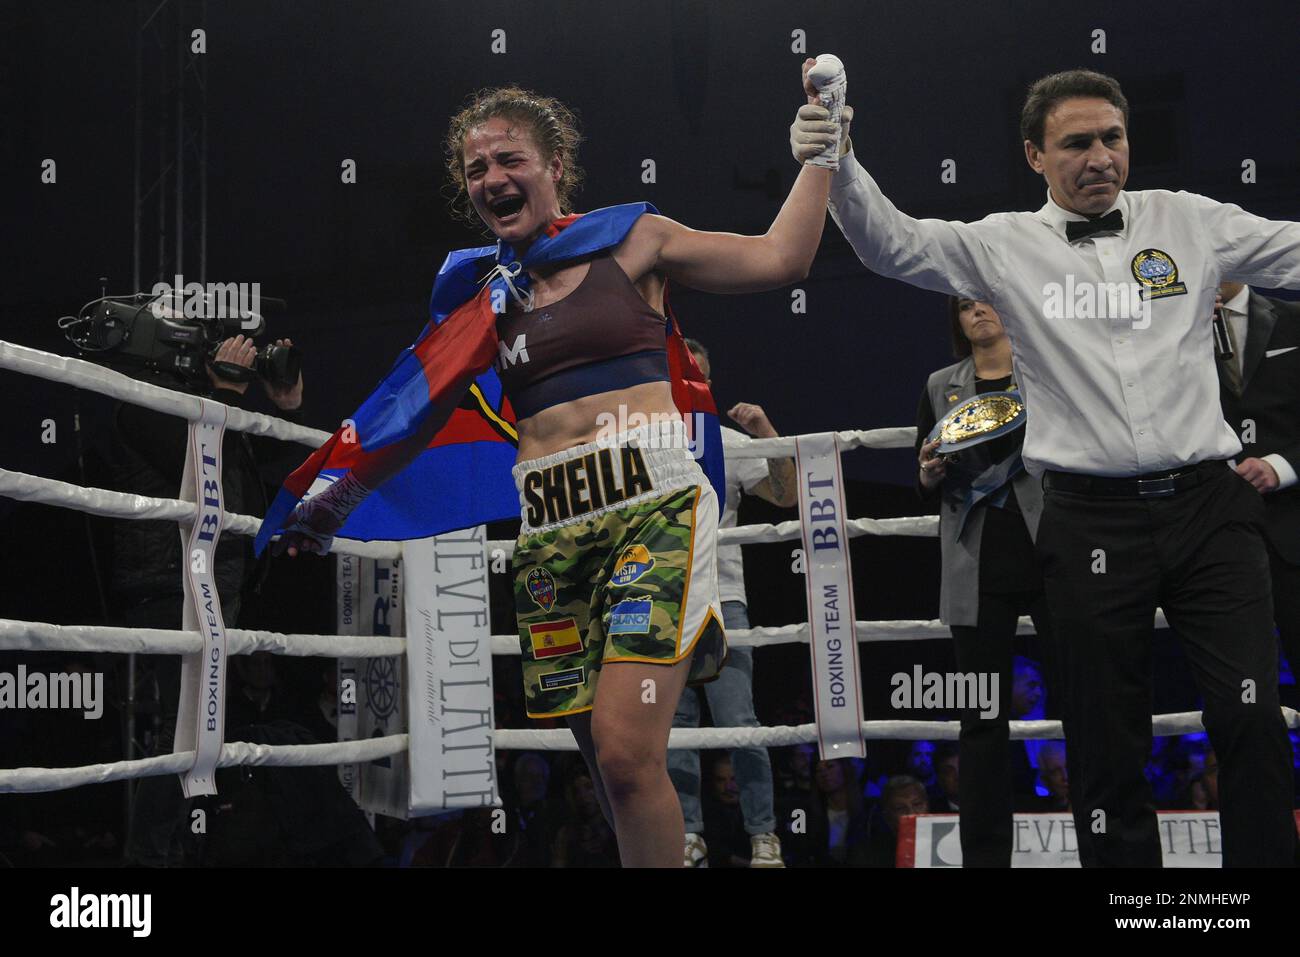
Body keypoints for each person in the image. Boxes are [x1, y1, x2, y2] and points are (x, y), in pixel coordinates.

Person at [276, 86, 831, 867]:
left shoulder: (634, 241)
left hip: (653, 511)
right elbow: (415, 415)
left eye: (509, 159)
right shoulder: (482, 297)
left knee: (626, 752)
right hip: (552, 536)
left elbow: (783, 257)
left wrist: (823, 153)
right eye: (476, 168)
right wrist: (329, 503)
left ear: (554, 166)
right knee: (610, 772)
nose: (492, 176)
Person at [791, 63, 1300, 866]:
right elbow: (893, 245)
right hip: (1089, 517)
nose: (1099, 156)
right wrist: (840, 157)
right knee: (1106, 739)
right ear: (1035, 155)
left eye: (1113, 138)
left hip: (1210, 509)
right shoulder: (1002, 245)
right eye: (1076, 143)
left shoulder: (1191, 219)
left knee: (1250, 715)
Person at [672, 337, 795, 868]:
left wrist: (764, 433)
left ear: (708, 384)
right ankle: (686, 834)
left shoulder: (726, 441)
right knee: (672, 725)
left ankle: (763, 834)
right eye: (680, 373)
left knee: (739, 720)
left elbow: (786, 495)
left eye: (697, 376)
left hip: (724, 598)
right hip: (659, 601)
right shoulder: (635, 439)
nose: (689, 383)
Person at [1214, 280, 1300, 699]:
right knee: (1237, 690)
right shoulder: (1161, 336)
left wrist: (1282, 466)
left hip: (1293, 519)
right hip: (1211, 532)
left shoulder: (1294, 319)